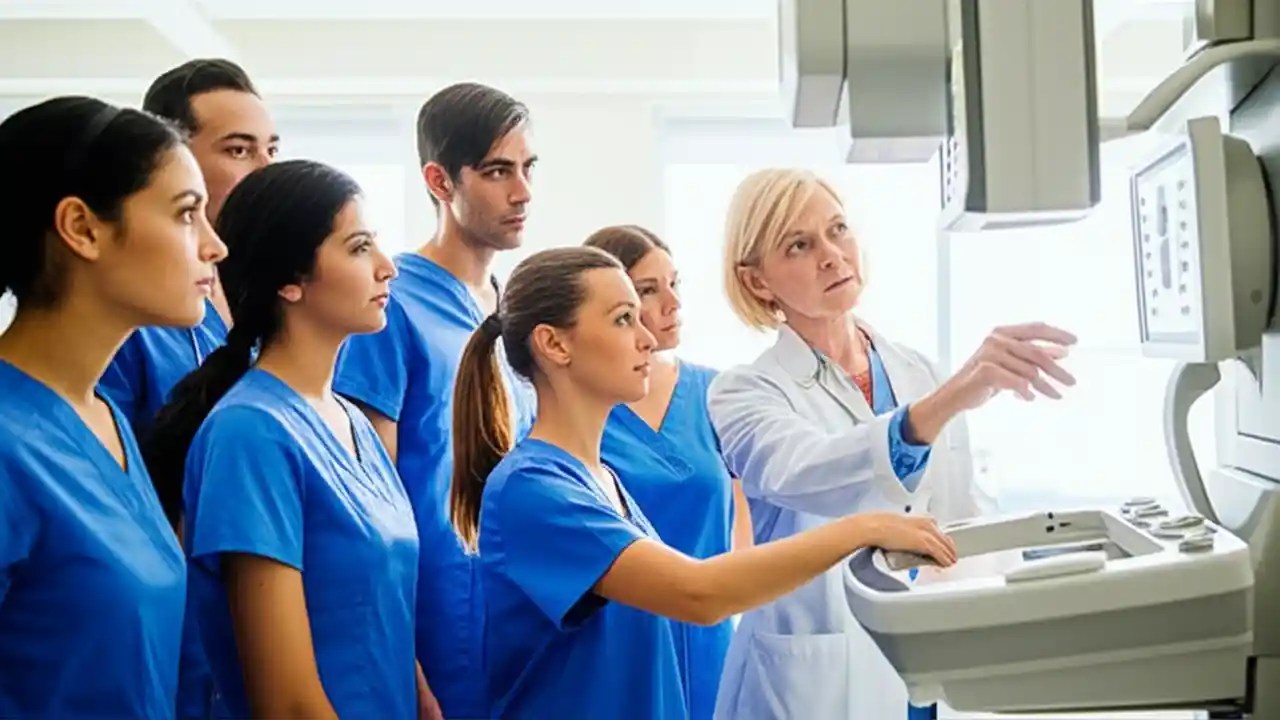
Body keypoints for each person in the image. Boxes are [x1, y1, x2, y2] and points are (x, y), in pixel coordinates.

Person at [450, 246, 959, 720]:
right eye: (624, 319)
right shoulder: (532, 490)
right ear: (554, 343)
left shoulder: (601, 483)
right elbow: (699, 592)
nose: (647, 337)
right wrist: (860, 528)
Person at [708, 168, 1078, 720]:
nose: (832, 254)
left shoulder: (916, 371)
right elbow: (806, 473)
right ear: (759, 282)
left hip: (923, 664)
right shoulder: (744, 391)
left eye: (838, 230)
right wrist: (952, 396)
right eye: (799, 245)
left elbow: (955, 516)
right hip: (816, 679)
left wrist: (1052, 563)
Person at [143, 160, 430, 719]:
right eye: (358, 248)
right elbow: (288, 702)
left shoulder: (351, 423)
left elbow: (375, 610)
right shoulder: (250, 434)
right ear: (288, 280)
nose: (387, 268)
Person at [0, 96, 226, 718]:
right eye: (186, 214)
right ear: (82, 228)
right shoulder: (8, 445)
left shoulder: (105, 420)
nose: (214, 247)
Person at [334, 81, 536, 719]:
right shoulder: (392, 306)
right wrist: (406, 664)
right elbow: (370, 504)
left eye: (528, 168)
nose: (523, 191)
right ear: (441, 181)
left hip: (514, 612)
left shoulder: (509, 310)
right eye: (498, 172)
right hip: (435, 624)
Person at [584, 224, 751, 719]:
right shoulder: (583, 409)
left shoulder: (715, 394)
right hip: (623, 643)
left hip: (710, 639)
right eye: (648, 290)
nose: (671, 303)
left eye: (674, 284)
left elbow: (746, 531)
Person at [102, 58, 278, 461]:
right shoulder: (127, 322)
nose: (267, 169)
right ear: (171, 161)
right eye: (239, 150)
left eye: (272, 149)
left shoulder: (262, 289)